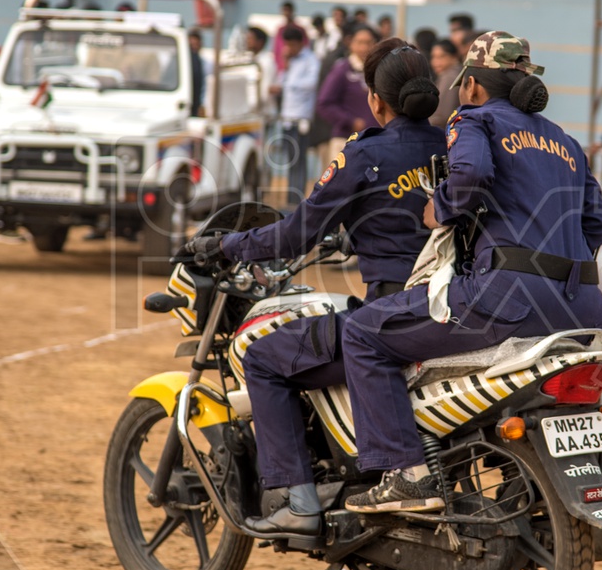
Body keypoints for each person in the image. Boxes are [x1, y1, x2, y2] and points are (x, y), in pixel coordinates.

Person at [178, 42, 446, 533]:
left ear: (375, 101)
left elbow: (296, 233)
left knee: (264, 357)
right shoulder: (454, 146)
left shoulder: (364, 154)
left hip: (392, 314)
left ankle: (301, 504)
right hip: (453, 308)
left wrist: (229, 246)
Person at [338, 33, 602, 513]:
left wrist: (439, 208)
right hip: (582, 306)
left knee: (362, 331)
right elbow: (597, 225)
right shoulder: (565, 141)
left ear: (473, 87)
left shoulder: (473, 120)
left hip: (506, 297)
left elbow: (471, 175)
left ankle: (408, 477)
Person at [269, 24, 321, 192]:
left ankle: (297, 198)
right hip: (287, 117)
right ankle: (291, 197)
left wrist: (287, 86)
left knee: (299, 161)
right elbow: (282, 81)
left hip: (301, 118)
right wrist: (284, 65)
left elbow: (311, 84)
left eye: (291, 44)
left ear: (300, 43)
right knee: (290, 159)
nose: (288, 48)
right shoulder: (290, 61)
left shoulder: (311, 60)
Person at [316, 25, 380, 152]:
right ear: (351, 44)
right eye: (360, 42)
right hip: (346, 140)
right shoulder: (342, 69)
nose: (364, 47)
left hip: (375, 140)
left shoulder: (379, 71)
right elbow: (324, 103)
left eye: (368, 43)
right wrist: (350, 121)